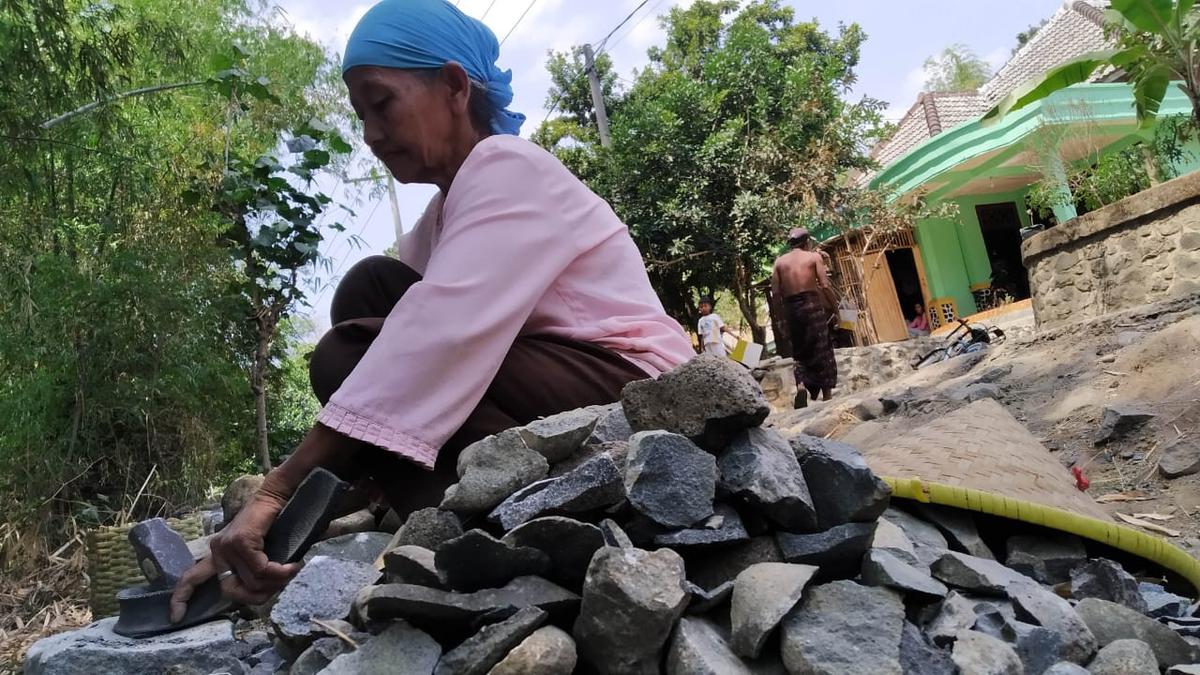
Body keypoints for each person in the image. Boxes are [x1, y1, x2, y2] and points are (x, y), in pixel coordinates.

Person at [169, 0, 694, 621]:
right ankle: (458, 522)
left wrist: (276, 491)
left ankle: (485, 527)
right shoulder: (436, 222)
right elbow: (406, 367)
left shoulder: (510, 166)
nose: (371, 134)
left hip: (634, 392)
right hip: (547, 390)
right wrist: (297, 522)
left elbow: (436, 335)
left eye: (382, 103)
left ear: (453, 86)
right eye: (361, 115)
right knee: (371, 291)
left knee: (349, 352)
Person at [771, 228, 838, 409]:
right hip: (812, 306)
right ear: (807, 241)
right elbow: (824, 285)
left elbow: (776, 295)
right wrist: (836, 309)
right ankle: (827, 395)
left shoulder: (779, 263)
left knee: (800, 352)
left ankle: (801, 385)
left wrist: (780, 320)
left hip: (792, 311)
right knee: (822, 349)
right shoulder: (813, 258)